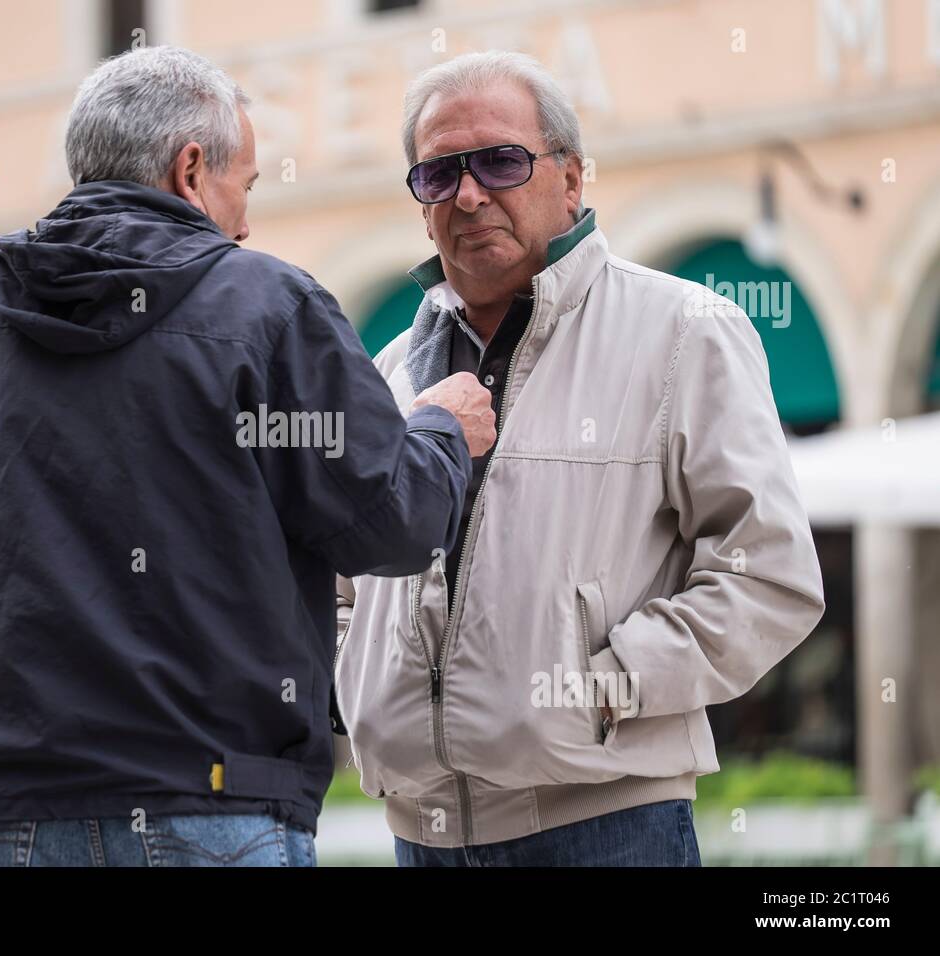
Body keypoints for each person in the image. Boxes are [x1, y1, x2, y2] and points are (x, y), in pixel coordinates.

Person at [0, 45, 495, 867]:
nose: (246, 223)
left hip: (5, 816)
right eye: (247, 187)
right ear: (191, 169)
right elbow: (391, 520)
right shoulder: (267, 304)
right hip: (213, 807)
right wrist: (442, 430)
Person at [335, 51, 826, 866]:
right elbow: (340, 579)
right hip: (418, 837)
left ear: (570, 180)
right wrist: (360, 690)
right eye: (438, 173)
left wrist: (595, 689)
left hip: (607, 829)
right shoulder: (383, 374)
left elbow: (768, 575)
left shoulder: (683, 332)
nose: (468, 193)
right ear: (419, 203)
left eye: (499, 161)